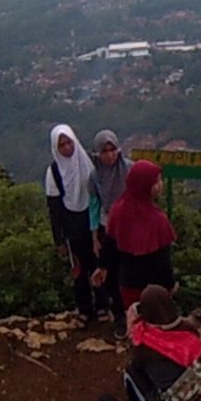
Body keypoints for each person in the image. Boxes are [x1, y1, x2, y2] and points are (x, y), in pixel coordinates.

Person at [122, 284, 201, 401]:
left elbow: (134, 359)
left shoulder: (144, 345)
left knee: (130, 372)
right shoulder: (189, 330)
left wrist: (132, 324)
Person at [44, 124, 100, 325]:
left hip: (93, 220)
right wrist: (58, 239)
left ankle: (103, 306)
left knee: (98, 263)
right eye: (62, 145)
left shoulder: (88, 162)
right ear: (55, 148)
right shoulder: (54, 173)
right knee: (78, 269)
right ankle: (85, 310)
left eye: (69, 142)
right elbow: (54, 208)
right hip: (71, 225)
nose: (67, 148)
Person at [105, 160, 176, 315]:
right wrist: (170, 286)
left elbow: (110, 245)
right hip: (155, 289)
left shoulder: (117, 210)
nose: (160, 185)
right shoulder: (158, 220)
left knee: (133, 320)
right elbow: (164, 260)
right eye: (156, 182)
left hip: (127, 283)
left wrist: (102, 267)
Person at [90, 129, 132, 329]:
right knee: (110, 273)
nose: (109, 155)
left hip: (129, 226)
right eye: (104, 151)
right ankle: (119, 315)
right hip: (106, 227)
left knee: (129, 270)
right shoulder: (95, 175)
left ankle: (133, 312)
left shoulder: (129, 169)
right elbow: (93, 205)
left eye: (112, 150)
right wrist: (94, 237)